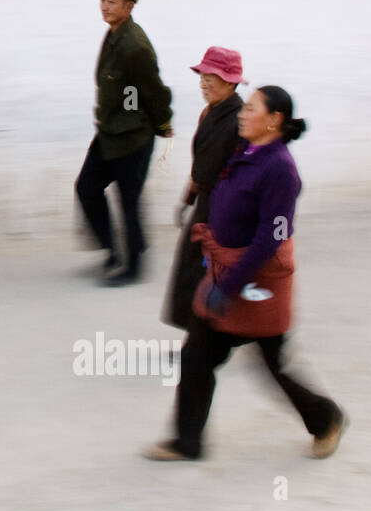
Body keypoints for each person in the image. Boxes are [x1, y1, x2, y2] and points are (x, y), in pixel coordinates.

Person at [145, 86, 347, 461]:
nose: (242, 113)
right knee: (197, 358)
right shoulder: (245, 152)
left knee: (274, 366)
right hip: (226, 274)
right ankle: (188, 442)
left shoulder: (280, 170)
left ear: (274, 120)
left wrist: (232, 284)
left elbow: (271, 238)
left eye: (250, 108)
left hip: (260, 283)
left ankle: (327, 419)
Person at [75, 0, 173, 286]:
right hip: (109, 133)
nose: (104, 7)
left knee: (129, 202)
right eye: (102, 1)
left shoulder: (135, 46)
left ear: (128, 7)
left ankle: (132, 266)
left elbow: (154, 91)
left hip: (132, 137)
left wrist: (162, 124)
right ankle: (114, 249)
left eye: (111, 2)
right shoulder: (113, 34)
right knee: (87, 188)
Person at [162, 47, 245, 329]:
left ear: (232, 82)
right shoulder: (208, 112)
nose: (205, 83)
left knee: (208, 273)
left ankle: (204, 342)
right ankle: (195, 339)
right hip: (205, 203)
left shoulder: (240, 121)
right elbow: (200, 166)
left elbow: (241, 174)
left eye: (214, 77)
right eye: (203, 76)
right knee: (189, 270)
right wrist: (188, 199)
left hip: (224, 208)